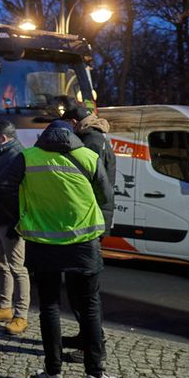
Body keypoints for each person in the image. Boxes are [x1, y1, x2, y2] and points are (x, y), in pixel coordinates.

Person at [0, 120, 118, 378]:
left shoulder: (28, 157)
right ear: (71, 136)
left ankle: (53, 373)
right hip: (84, 243)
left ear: (44, 136)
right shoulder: (88, 156)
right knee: (90, 306)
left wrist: (23, 214)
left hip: (43, 241)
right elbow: (107, 195)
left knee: (49, 306)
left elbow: (1, 187)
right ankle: (95, 375)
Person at [61, 103, 116, 359]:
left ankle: (93, 346)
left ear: (74, 122)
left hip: (87, 222)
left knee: (83, 289)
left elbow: (87, 185)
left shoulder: (90, 142)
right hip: (93, 220)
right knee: (81, 287)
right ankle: (86, 337)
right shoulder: (97, 137)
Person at [0, 121, 29, 335]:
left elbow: (21, 192)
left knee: (18, 268)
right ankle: (4, 307)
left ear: (2, 138)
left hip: (10, 221)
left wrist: (16, 221)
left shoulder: (18, 156)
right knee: (1, 264)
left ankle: (21, 315)